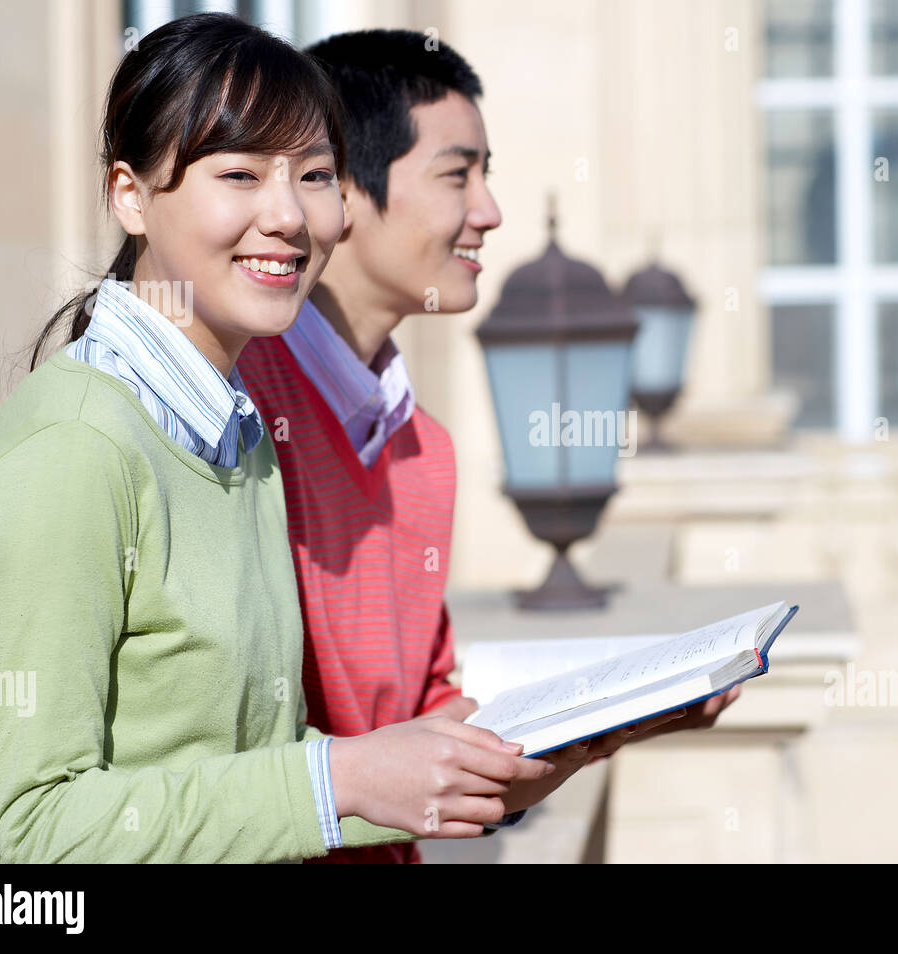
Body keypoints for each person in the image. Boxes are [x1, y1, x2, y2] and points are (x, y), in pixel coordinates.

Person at [0, 12, 549, 864]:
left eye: (314, 176)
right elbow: (35, 832)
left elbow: (254, 779)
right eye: (240, 174)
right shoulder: (73, 447)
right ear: (129, 195)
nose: (287, 215)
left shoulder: (240, 436)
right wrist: (338, 781)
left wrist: (471, 773)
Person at [235, 28, 739, 864]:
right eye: (457, 174)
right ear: (342, 191)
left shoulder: (423, 449)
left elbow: (430, 731)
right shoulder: (237, 410)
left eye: (487, 175)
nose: (489, 211)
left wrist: (609, 722)